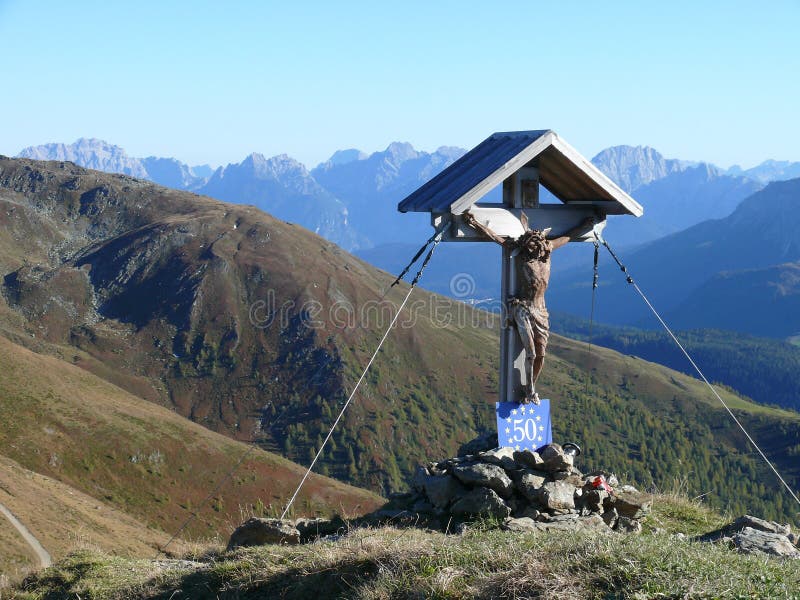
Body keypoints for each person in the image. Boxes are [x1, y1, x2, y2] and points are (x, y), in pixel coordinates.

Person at [462, 210, 594, 404]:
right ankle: (530, 391)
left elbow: (567, 237)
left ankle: (530, 385)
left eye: (537, 245)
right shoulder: (520, 252)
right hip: (522, 308)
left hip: (541, 311)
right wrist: (474, 223)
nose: (535, 249)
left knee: (541, 354)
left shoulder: (548, 248)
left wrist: (584, 226)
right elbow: (495, 237)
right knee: (531, 352)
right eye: (532, 245)